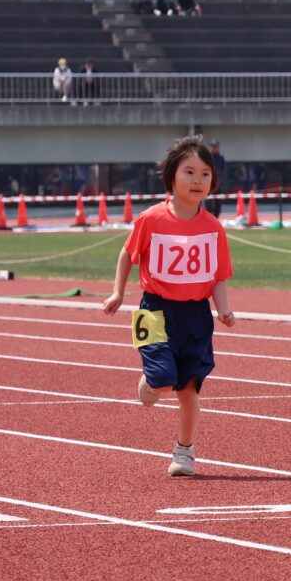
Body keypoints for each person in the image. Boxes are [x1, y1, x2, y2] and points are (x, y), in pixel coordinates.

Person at [101, 135, 235, 477]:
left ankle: (184, 451)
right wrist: (117, 293)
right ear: (172, 177)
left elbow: (218, 275)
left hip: (196, 316)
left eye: (205, 174)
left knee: (188, 391)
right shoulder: (151, 219)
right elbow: (127, 254)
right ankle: (150, 383)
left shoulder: (214, 228)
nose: (197, 180)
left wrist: (223, 308)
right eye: (189, 172)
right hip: (156, 310)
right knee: (162, 380)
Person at [206, 138, 226, 218]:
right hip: (208, 185)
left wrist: (221, 182)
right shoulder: (207, 158)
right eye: (212, 146)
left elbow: (224, 171)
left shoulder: (221, 159)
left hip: (218, 185)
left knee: (218, 206)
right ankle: (208, 222)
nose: (214, 148)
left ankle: (216, 220)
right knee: (208, 206)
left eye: (216, 146)